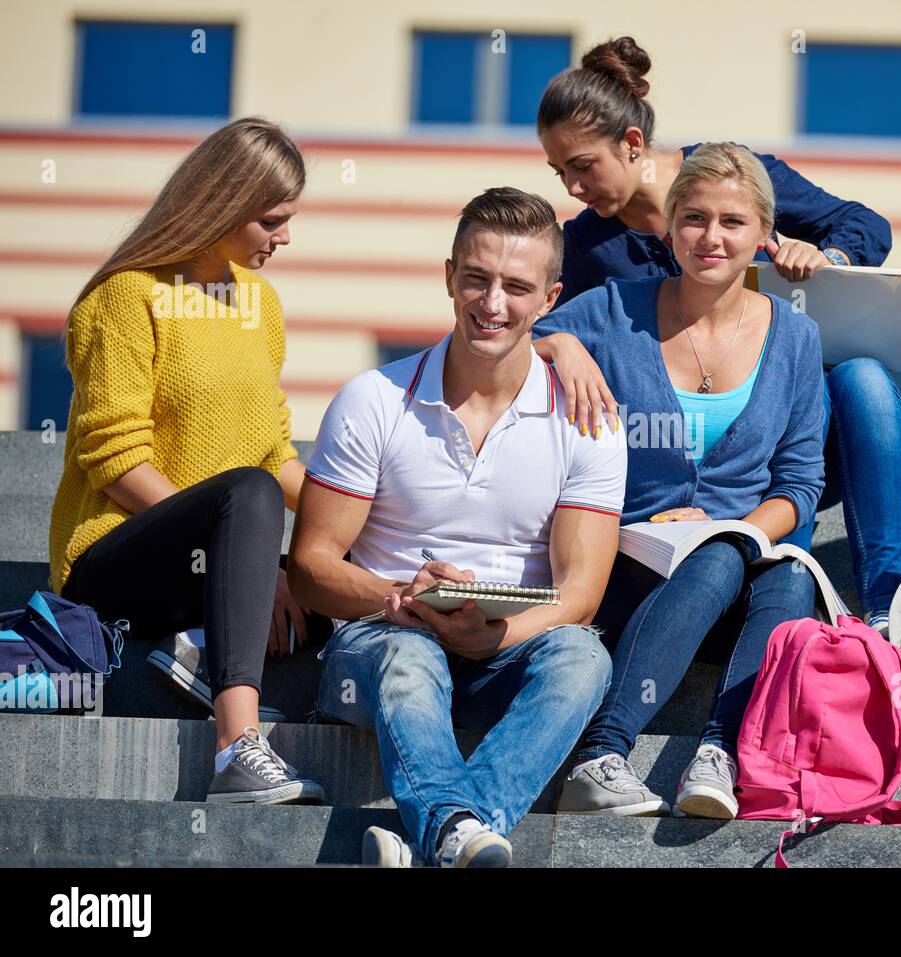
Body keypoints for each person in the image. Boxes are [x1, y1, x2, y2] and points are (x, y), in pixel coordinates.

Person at [288, 188, 627, 868]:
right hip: (382, 638)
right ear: (449, 276)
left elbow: (581, 594)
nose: (492, 303)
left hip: (510, 643)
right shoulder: (374, 399)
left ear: (550, 297)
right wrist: (400, 597)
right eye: (476, 278)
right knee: (409, 654)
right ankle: (456, 828)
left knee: (584, 656)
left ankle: (439, 835)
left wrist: (493, 631)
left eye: (516, 287)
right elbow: (311, 566)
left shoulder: (588, 419)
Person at [535, 36, 901, 629]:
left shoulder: (733, 175)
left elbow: (863, 223)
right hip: (674, 466)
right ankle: (785, 600)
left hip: (787, 436)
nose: (573, 189)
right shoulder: (585, 246)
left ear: (632, 144)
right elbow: (534, 329)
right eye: (561, 173)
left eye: (582, 167)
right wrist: (561, 342)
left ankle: (885, 603)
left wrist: (826, 256)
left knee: (864, 380)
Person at [533, 143, 825, 820]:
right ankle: (601, 754)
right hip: (628, 565)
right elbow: (499, 336)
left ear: (762, 237)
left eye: (731, 221)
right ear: (668, 227)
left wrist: (742, 532)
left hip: (732, 571)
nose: (711, 237)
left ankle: (718, 752)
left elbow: (800, 483)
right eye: (693, 218)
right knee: (726, 556)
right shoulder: (613, 308)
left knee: (787, 574)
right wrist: (560, 342)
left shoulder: (796, 338)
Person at [48, 116, 324, 803]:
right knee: (252, 496)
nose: (284, 236)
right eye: (271, 219)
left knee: (336, 570)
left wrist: (361, 512)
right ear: (223, 204)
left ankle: (202, 640)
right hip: (114, 569)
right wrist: (236, 555)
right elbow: (114, 458)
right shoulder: (126, 294)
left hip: (214, 551)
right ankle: (236, 746)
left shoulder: (259, 304)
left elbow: (273, 452)